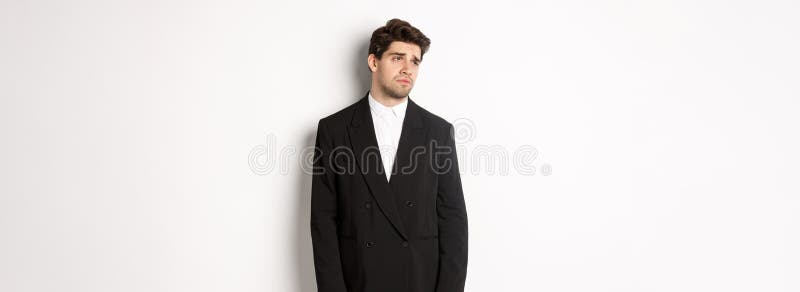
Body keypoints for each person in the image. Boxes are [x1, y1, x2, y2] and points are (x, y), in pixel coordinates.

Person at [310, 18, 468, 292]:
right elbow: (323, 222)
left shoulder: (438, 132)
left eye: (415, 61)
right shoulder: (334, 130)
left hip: (419, 282)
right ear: (373, 62)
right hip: (359, 280)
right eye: (397, 58)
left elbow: (453, 222)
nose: (408, 68)